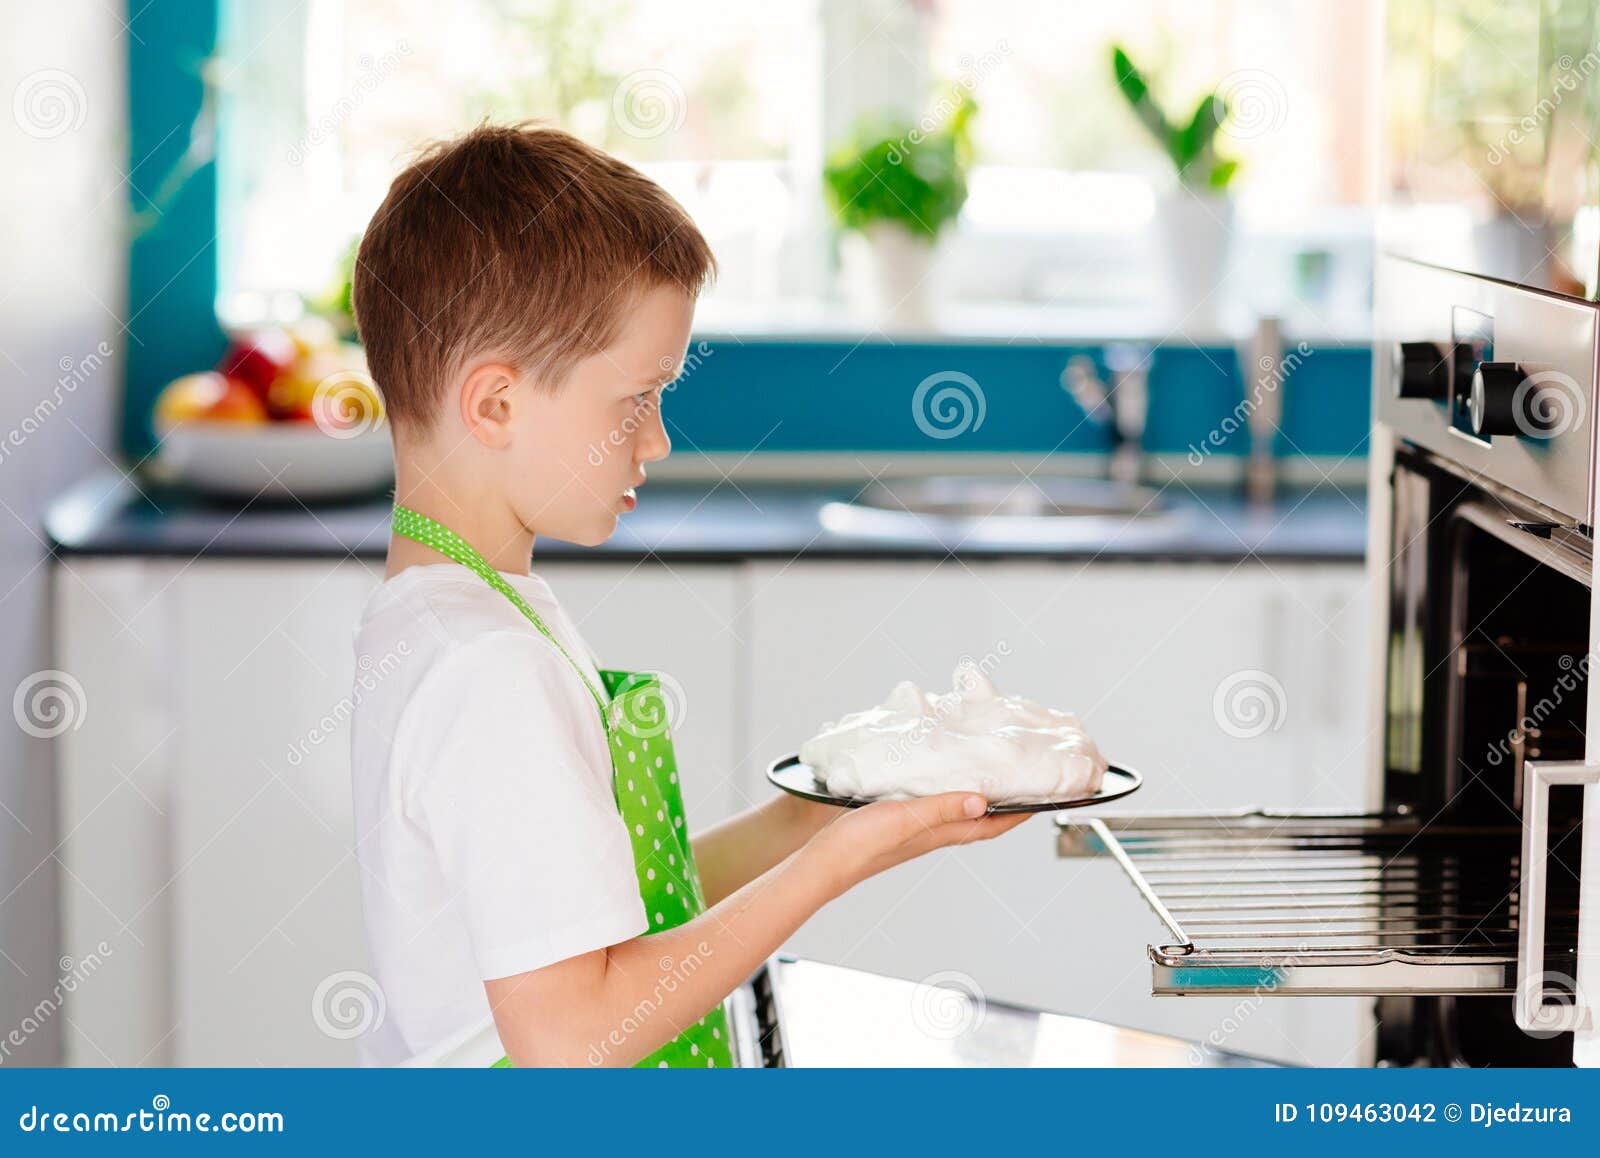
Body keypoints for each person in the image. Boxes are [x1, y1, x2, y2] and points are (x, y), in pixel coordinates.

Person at [347, 122, 1030, 1067]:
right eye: (635, 398)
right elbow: (569, 1033)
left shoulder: (450, 613)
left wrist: (823, 811)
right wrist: (839, 866)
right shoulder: (488, 669)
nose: (657, 439)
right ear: (495, 404)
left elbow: (609, 908)